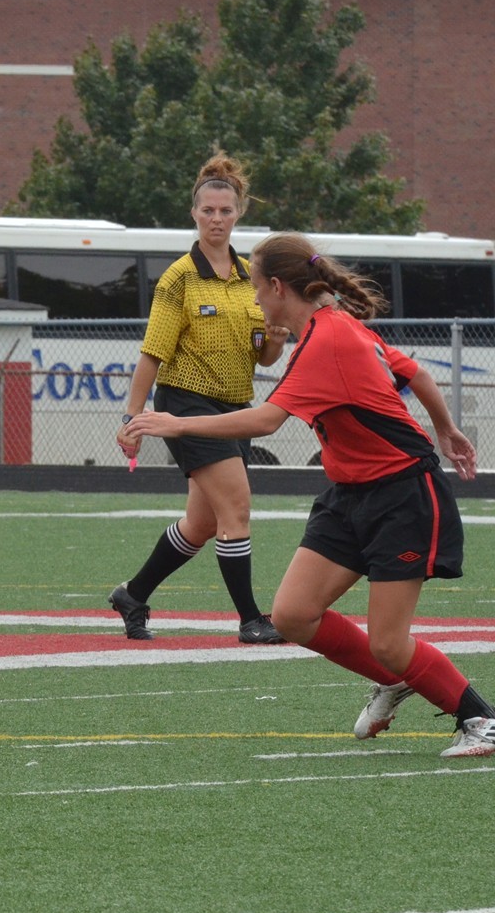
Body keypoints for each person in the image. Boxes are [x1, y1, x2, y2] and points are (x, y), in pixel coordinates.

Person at [127, 233, 494, 757]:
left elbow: (266, 420)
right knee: (293, 615)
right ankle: (394, 679)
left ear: (278, 287)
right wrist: (446, 428)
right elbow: (417, 374)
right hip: (349, 495)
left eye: (256, 287)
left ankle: (481, 718)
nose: (254, 299)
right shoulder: (332, 328)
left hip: (403, 496)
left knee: (390, 642)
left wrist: (178, 424)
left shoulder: (328, 339)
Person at [111, 153, 288, 644]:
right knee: (237, 509)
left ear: (239, 214)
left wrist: (276, 339)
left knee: (202, 523)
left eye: (225, 211)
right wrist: (132, 418)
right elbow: (152, 353)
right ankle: (251, 620)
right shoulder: (178, 278)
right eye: (208, 210)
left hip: (236, 410)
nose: (216, 219)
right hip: (186, 405)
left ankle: (132, 594)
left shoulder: (251, 276)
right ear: (193, 214)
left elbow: (264, 356)